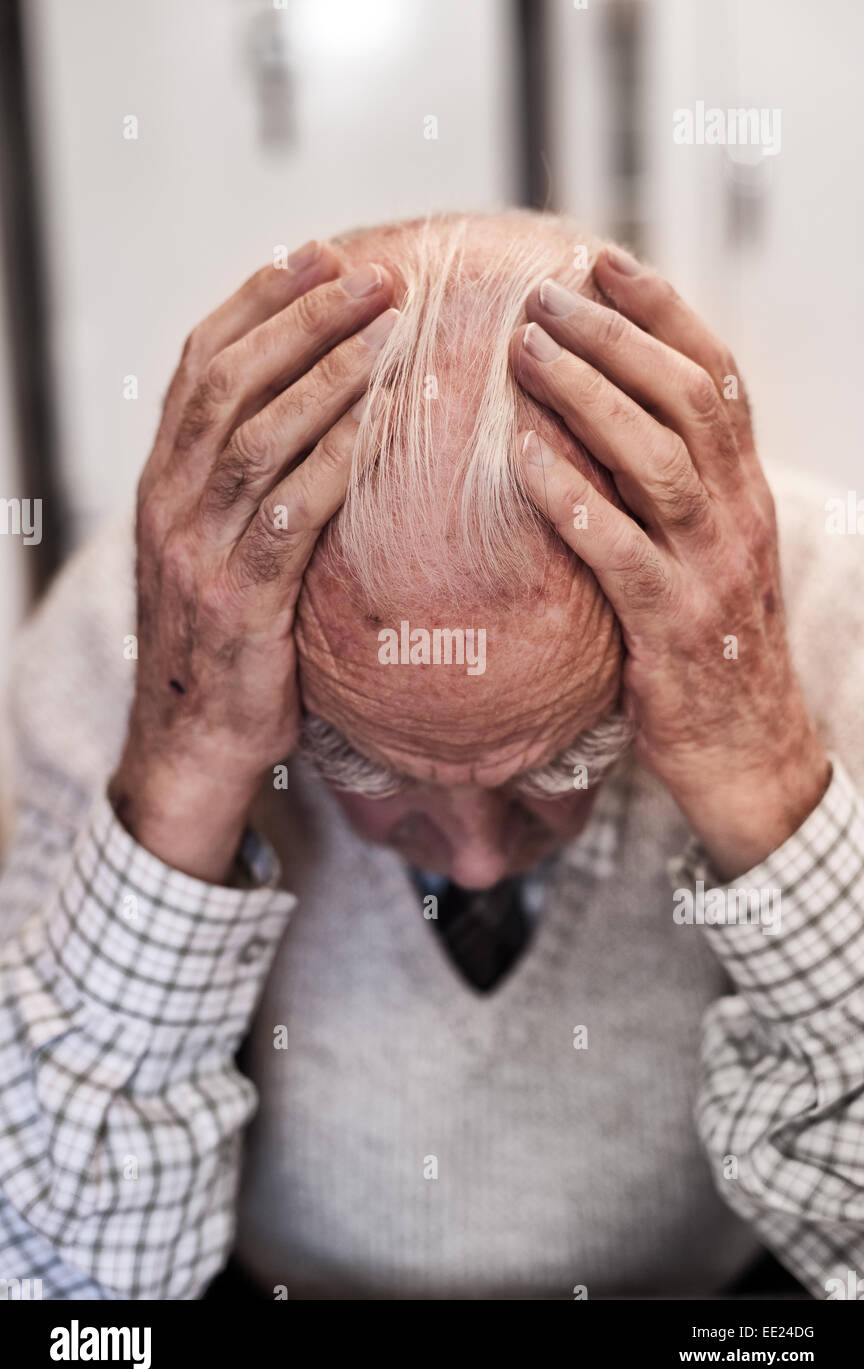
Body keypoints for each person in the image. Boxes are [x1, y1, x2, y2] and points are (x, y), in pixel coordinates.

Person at [0, 211, 861, 1301]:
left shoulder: (836, 607)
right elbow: (54, 1285)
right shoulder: (152, 633)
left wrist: (758, 759)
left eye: (563, 761)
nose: (479, 863)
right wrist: (191, 760)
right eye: (366, 769)